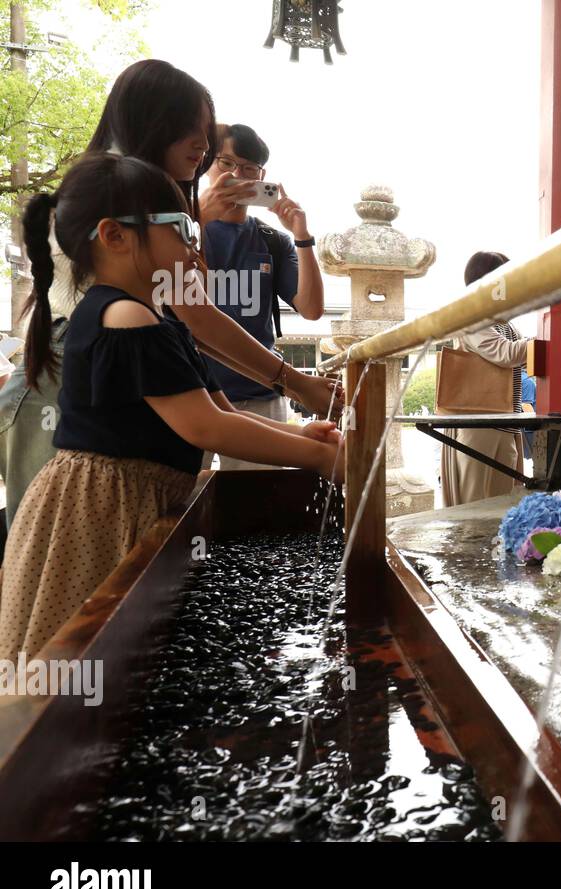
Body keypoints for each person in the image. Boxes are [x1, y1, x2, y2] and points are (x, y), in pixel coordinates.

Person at [0, 153, 343, 663]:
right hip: (98, 510)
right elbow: (205, 427)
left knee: (107, 659)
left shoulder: (159, 320)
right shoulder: (125, 317)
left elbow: (222, 411)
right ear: (115, 236)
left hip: (127, 497)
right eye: (182, 226)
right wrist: (319, 460)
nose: (194, 241)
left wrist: (302, 437)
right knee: (83, 658)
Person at [0, 59, 341, 528]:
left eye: (205, 129)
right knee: (60, 543)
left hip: (110, 394)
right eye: (190, 129)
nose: (203, 144)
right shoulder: (118, 207)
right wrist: (302, 409)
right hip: (61, 381)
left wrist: (293, 419)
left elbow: (185, 340)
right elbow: (196, 322)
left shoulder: (149, 223)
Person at [197, 123, 326, 468]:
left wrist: (302, 236)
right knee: (181, 505)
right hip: (194, 395)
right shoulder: (182, 231)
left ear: (262, 176)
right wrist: (198, 216)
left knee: (259, 507)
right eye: (226, 163)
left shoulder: (272, 241)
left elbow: (312, 310)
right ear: (207, 163)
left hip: (260, 395)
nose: (237, 175)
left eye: (248, 168)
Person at [440, 251, 532, 506]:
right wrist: (545, 342)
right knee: (475, 501)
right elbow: (505, 353)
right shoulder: (472, 317)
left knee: (501, 503)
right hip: (478, 422)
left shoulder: (502, 322)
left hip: (503, 419)